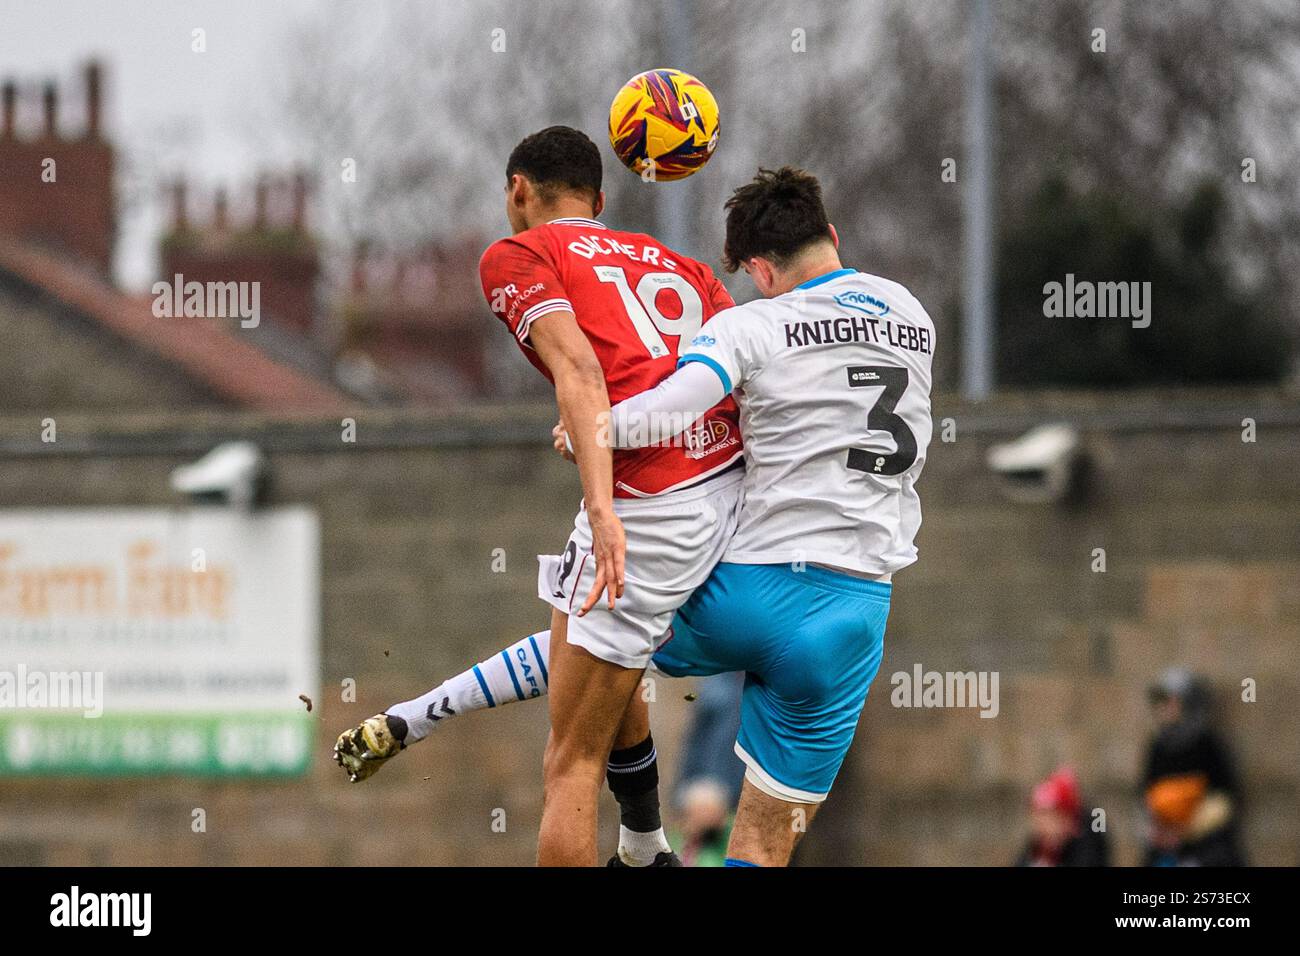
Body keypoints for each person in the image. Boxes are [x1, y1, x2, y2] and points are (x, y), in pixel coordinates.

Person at [339, 166, 935, 866]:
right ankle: (641, 839)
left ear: (757, 270)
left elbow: (678, 403)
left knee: (594, 649)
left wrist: (598, 430)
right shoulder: (912, 313)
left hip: (754, 588)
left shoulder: (753, 323)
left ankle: (437, 725)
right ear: (831, 236)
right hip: (856, 611)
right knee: (764, 847)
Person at [335, 125, 744, 867]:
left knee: (568, 765)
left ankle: (646, 844)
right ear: (601, 196)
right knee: (601, 658)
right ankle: (648, 846)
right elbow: (733, 382)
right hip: (731, 490)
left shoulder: (519, 253)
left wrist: (602, 508)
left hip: (649, 502)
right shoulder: (684, 266)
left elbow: (582, 374)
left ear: (517, 191)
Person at [1142, 668, 1246, 866]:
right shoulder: (1158, 747)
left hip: (1207, 843)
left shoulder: (1207, 745)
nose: (1165, 708)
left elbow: (1226, 798)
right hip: (1165, 841)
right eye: (1163, 702)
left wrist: (1189, 829)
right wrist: (1158, 830)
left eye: (1172, 701)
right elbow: (1146, 792)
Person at [1014, 767, 1109, 866]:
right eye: (1039, 817)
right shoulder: (1035, 849)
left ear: (1069, 820)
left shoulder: (1087, 851)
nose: (1043, 826)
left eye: (1052, 817)